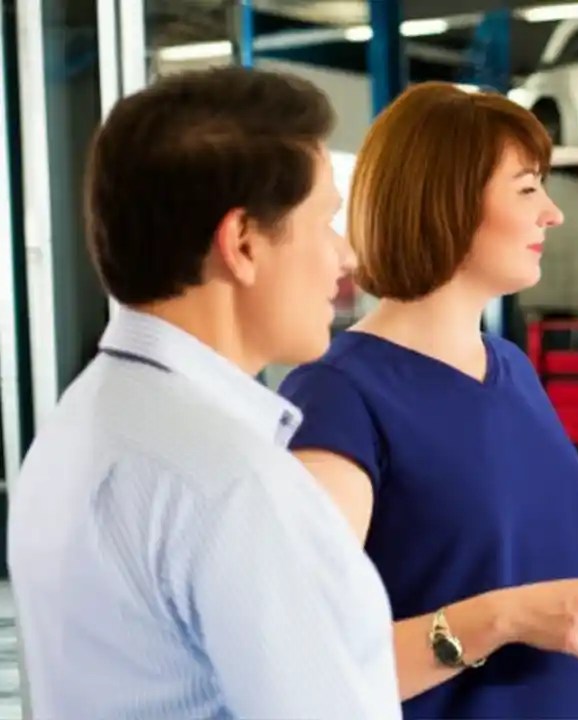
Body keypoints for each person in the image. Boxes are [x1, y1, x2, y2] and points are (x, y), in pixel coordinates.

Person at [277, 81, 578, 720]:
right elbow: (311, 663)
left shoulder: (510, 368)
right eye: (528, 188)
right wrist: (506, 618)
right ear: (445, 203)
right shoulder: (337, 395)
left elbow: (486, 563)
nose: (552, 213)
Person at [6, 66, 400, 718]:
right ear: (243, 243)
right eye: (325, 221)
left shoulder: (80, 425)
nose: (345, 258)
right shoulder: (230, 482)